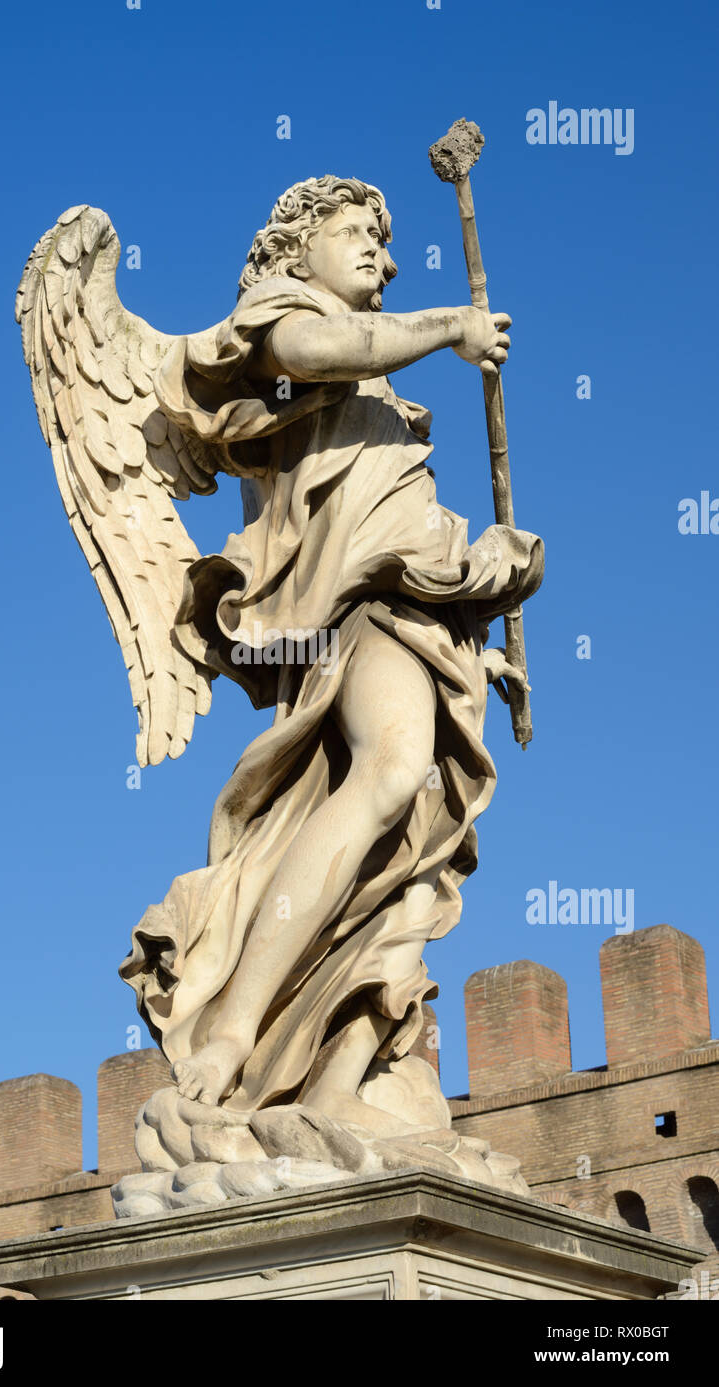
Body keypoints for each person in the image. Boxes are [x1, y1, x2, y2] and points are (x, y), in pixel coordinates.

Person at [119, 176, 543, 1124]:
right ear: (293, 247)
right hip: (336, 613)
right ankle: (232, 1026)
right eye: (357, 233)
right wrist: (449, 327)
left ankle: (340, 1069)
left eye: (386, 246)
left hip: (406, 615)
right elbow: (317, 351)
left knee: (407, 849)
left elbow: (408, 530)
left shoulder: (377, 384)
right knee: (390, 775)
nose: (381, 257)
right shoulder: (279, 329)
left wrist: (474, 624)